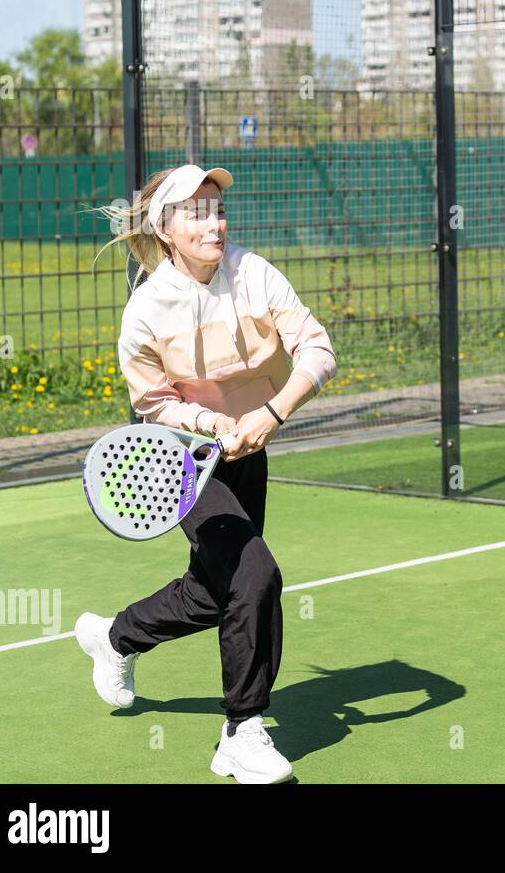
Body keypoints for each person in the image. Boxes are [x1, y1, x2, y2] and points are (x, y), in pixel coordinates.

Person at [74, 164, 337, 783]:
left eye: (218, 208)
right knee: (257, 574)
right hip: (181, 462)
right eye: (197, 212)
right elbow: (154, 402)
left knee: (217, 590)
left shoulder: (254, 273)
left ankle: (115, 636)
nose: (215, 221)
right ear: (165, 228)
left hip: (251, 446)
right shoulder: (144, 311)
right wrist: (213, 424)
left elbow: (318, 349)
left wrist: (268, 415)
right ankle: (242, 731)